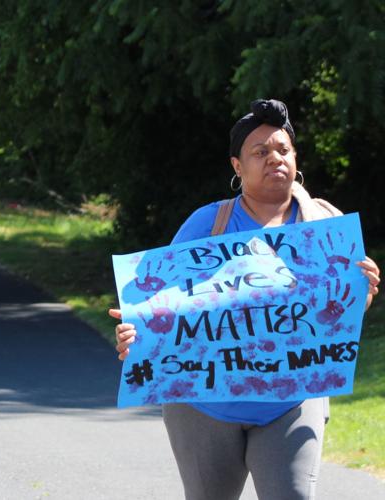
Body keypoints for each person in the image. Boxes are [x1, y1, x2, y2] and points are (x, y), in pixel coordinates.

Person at [110, 99, 381, 500]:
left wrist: (363, 294)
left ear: (296, 158)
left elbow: (339, 315)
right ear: (237, 166)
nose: (275, 158)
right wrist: (136, 333)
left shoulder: (326, 225)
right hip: (205, 408)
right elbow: (159, 302)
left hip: (291, 402)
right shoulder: (207, 224)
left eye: (283, 149)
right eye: (260, 151)